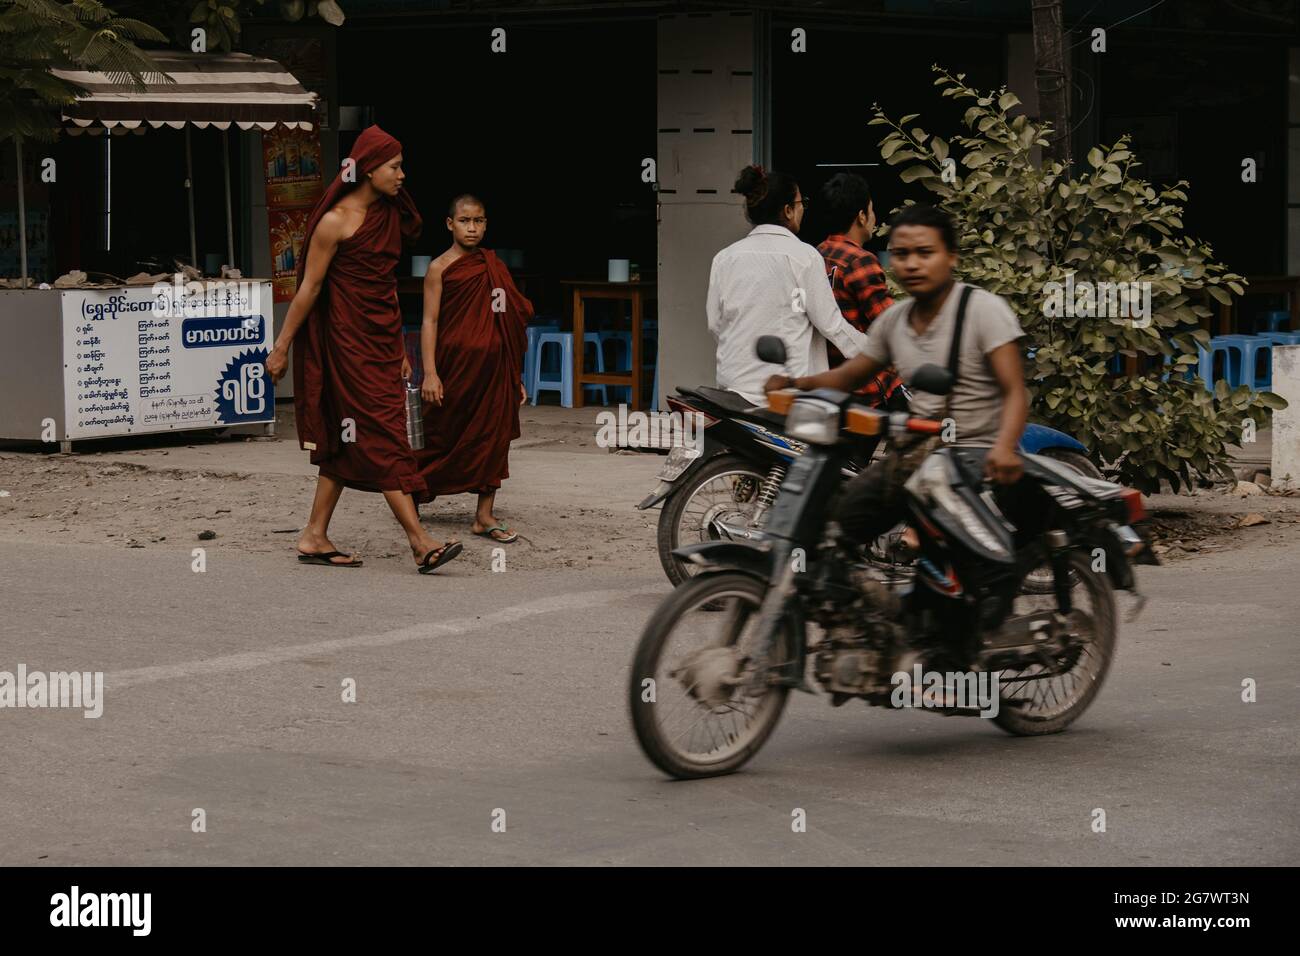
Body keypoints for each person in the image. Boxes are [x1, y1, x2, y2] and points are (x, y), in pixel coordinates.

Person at [764, 204, 1029, 546]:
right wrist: (794, 384)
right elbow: (849, 376)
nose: (912, 264)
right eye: (901, 254)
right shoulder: (895, 320)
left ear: (951, 257)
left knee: (960, 561)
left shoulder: (984, 310)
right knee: (838, 525)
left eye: (925, 253)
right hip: (918, 454)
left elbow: (1014, 391)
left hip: (975, 453)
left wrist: (1005, 448)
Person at [264, 125, 462, 575]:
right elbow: (310, 288)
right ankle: (420, 542)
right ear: (369, 169)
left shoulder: (387, 215)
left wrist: (399, 347)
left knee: (347, 439)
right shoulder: (335, 221)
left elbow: (385, 285)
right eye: (395, 167)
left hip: (380, 342)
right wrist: (281, 347)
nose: (402, 175)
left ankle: (314, 534)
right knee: (384, 437)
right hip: (346, 348)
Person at [414, 194, 533, 543]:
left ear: (486, 225)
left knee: (492, 438)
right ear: (450, 224)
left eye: (478, 221)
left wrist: (515, 375)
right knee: (439, 432)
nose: (472, 228)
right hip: (454, 366)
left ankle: (484, 516)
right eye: (465, 221)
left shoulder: (493, 267)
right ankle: (413, 493)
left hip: (495, 369)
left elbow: (510, 322)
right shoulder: (439, 268)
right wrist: (430, 372)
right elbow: (429, 321)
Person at [707, 165, 868, 405]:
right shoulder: (804, 256)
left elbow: (715, 324)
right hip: (787, 397)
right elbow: (831, 324)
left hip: (733, 392)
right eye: (801, 203)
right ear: (788, 210)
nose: (803, 209)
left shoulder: (724, 258)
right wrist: (876, 354)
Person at [817, 172, 903, 407]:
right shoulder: (860, 260)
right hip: (869, 389)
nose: (874, 217)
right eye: (871, 210)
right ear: (862, 216)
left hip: (830, 383)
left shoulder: (816, 254)